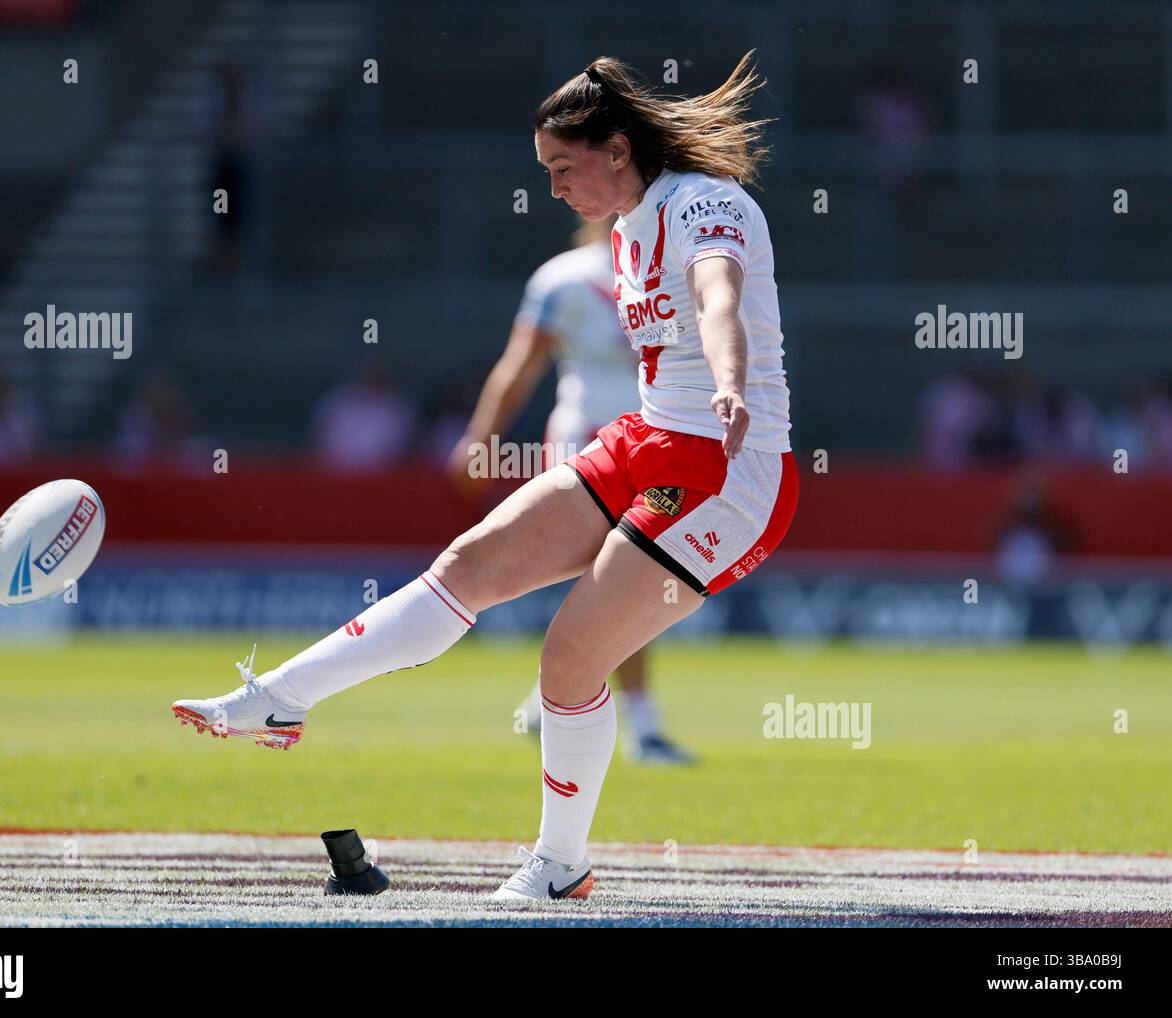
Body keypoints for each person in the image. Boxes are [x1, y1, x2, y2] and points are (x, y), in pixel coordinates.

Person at [172, 52, 798, 902]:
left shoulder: (704, 202)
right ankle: (281, 697)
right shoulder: (623, 229)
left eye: (562, 169)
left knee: (570, 658)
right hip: (648, 439)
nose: (554, 189)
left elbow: (718, 295)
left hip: (729, 468)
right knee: (469, 563)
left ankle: (561, 867)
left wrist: (729, 382)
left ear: (616, 150)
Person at [446, 212, 695, 764]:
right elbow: (519, 366)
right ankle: (639, 724)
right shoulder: (566, 279)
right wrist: (480, 437)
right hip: (588, 443)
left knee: (631, 577)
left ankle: (551, 697)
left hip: (658, 446)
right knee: (629, 575)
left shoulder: (672, 273)